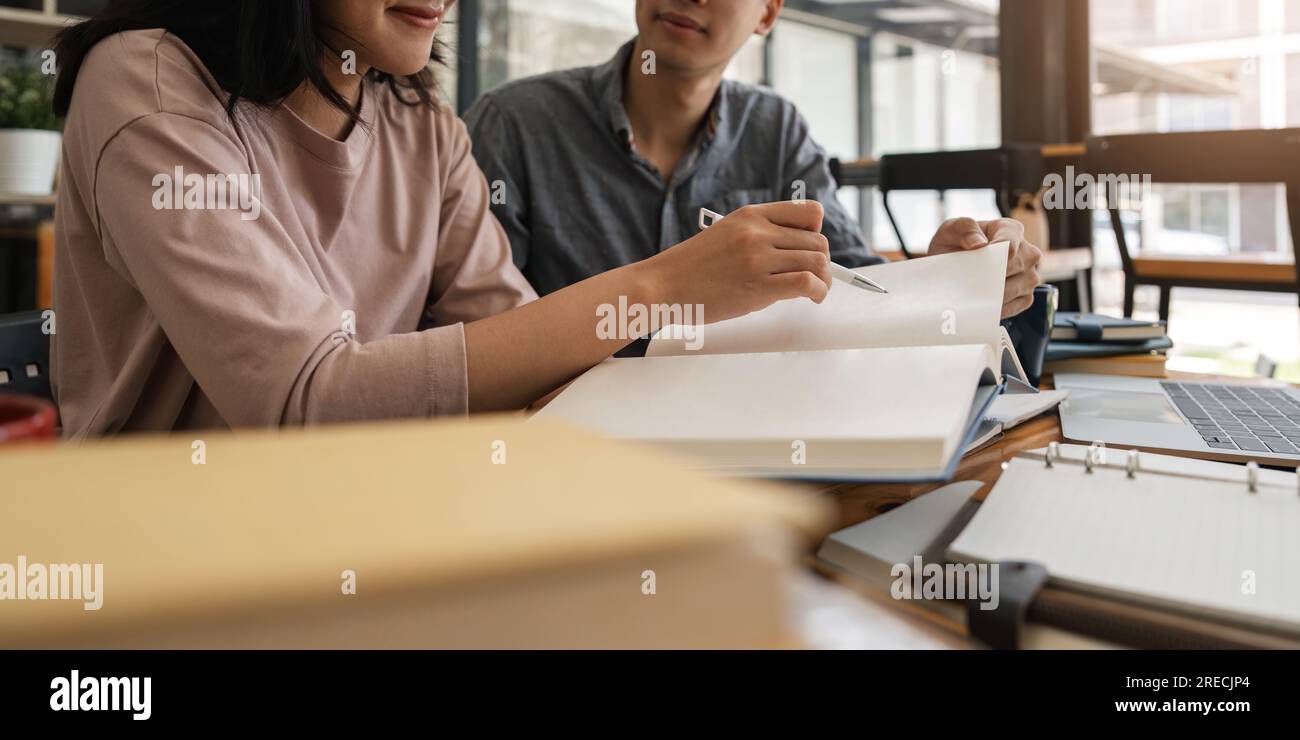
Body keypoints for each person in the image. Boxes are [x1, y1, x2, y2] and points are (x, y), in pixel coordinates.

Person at [49, 0, 837, 437]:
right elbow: (303, 402)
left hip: (378, 521)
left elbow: (518, 340)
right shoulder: (149, 86)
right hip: (176, 561)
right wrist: (665, 285)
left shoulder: (419, 117)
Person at [465, 0, 1041, 321]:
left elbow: (847, 282)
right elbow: (483, 334)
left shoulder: (776, 129)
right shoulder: (515, 124)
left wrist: (941, 275)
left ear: (767, 14)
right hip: (571, 448)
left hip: (755, 424)